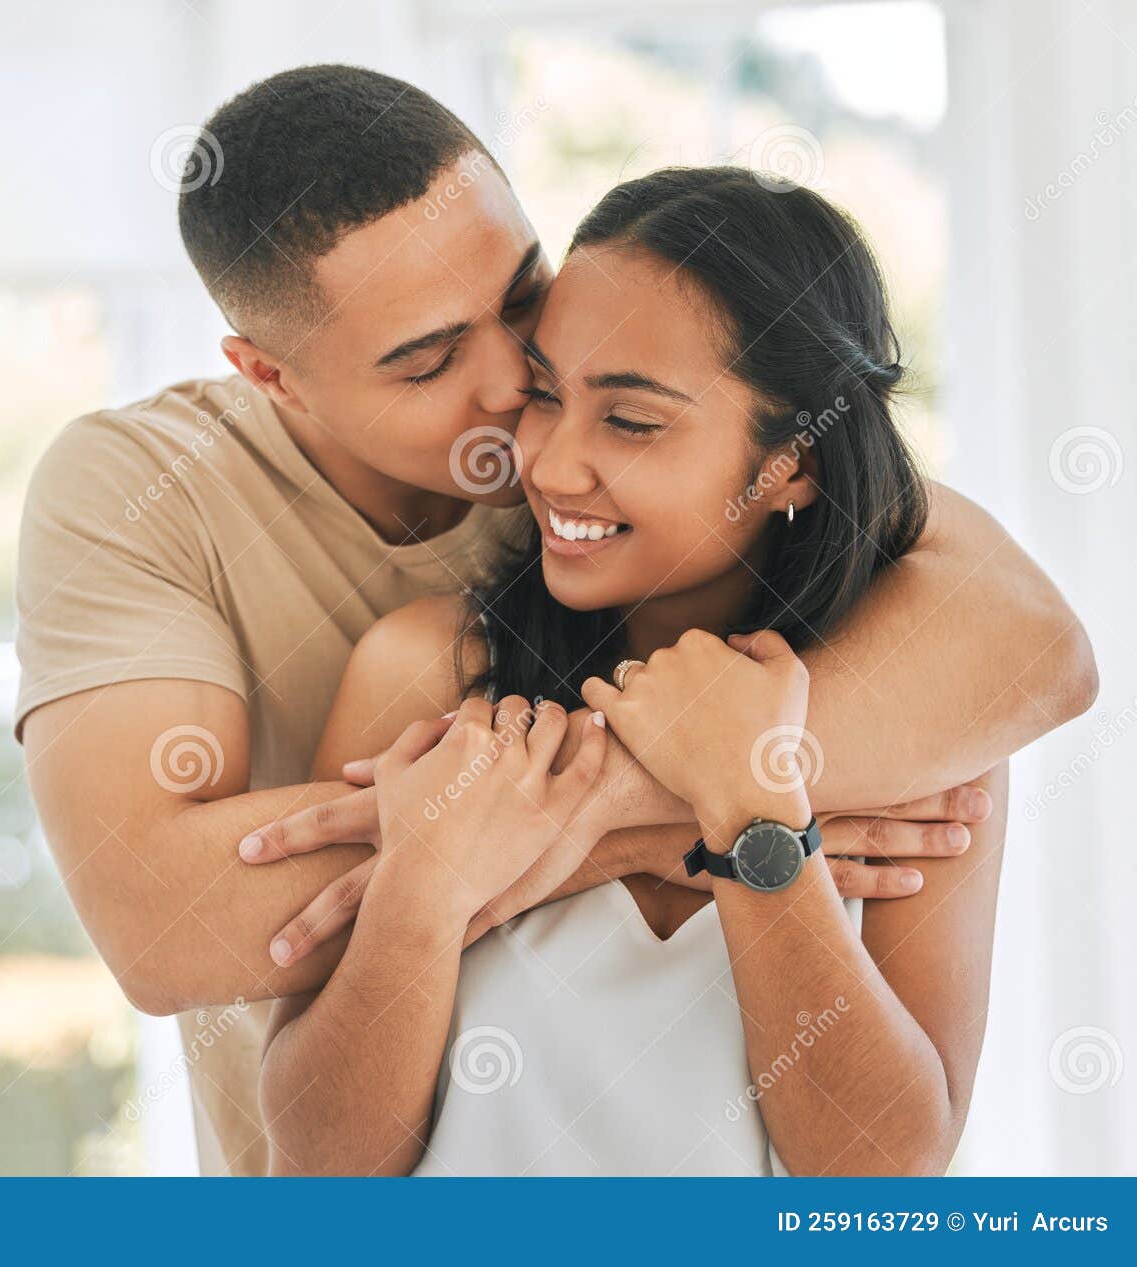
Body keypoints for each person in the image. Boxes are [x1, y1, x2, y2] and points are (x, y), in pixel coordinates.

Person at [14, 67, 1096, 1176]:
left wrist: (684, 800)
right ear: (271, 378)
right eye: (431, 360)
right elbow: (164, 935)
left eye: (525, 305)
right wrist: (609, 825)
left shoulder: (872, 641)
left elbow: (1037, 645)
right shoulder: (177, 507)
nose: (516, 416)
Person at [255, 168, 1037, 1177]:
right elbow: (322, 1172)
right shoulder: (425, 674)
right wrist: (424, 890)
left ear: (792, 461)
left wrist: (756, 816)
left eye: (630, 421)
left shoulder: (920, 721)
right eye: (543, 394)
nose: (547, 464)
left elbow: (880, 1174)